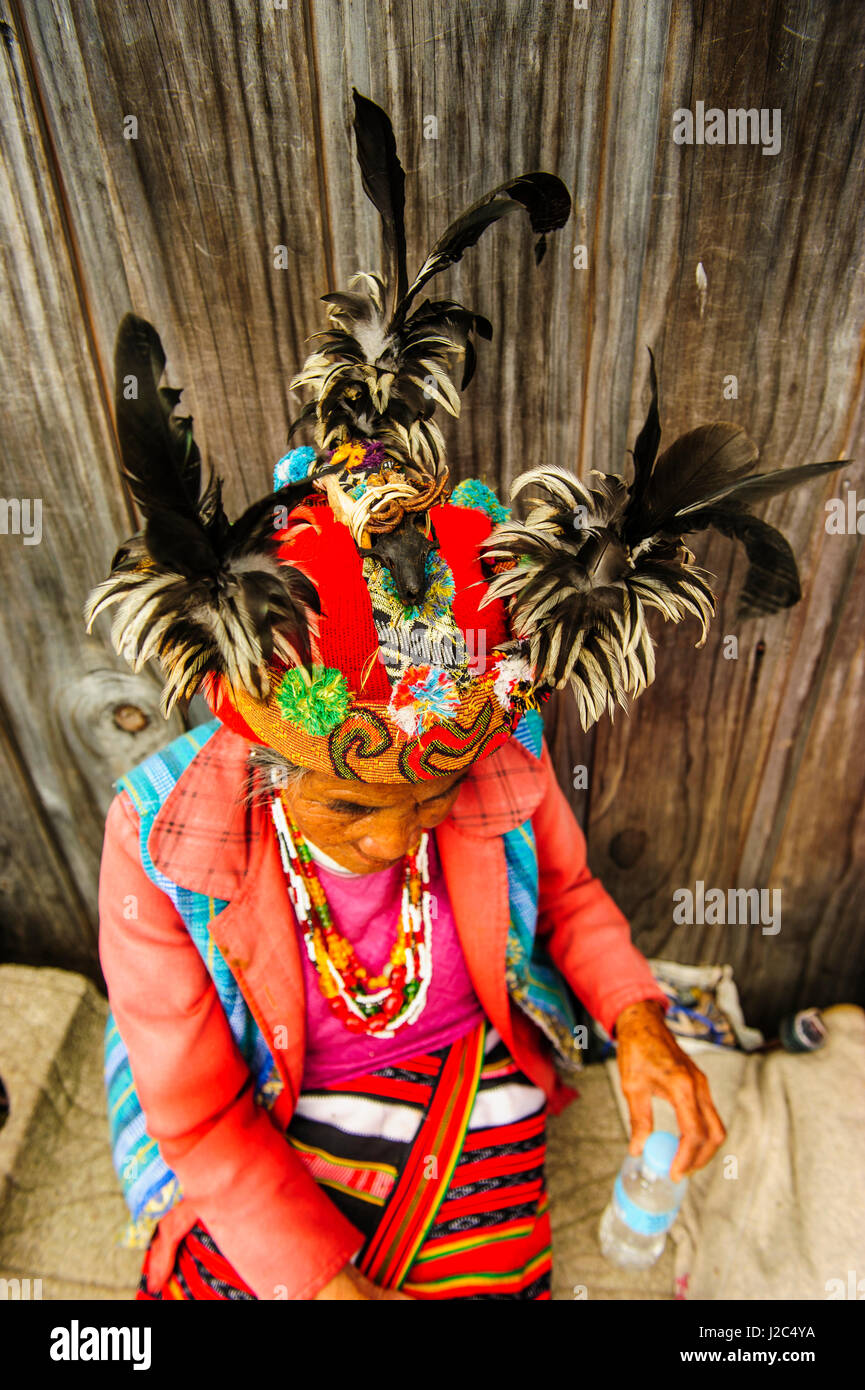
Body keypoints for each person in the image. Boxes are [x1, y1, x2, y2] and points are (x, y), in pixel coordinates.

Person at [87, 95, 730, 1300]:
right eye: (347, 808)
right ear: (263, 748)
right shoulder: (159, 839)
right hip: (264, 1113)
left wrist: (638, 1019)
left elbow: (575, 901)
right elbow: (196, 1109)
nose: (400, 836)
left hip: (464, 1083)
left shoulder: (488, 738)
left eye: (430, 795)